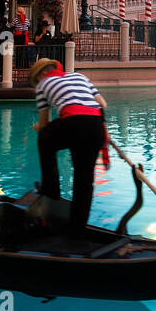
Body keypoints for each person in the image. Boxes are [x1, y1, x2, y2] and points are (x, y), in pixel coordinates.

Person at [29, 57, 107, 236]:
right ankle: (77, 229)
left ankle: (51, 189)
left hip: (73, 123)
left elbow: (44, 122)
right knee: (84, 180)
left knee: (44, 138)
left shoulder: (43, 85)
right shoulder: (81, 77)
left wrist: (39, 128)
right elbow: (102, 104)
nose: (37, 84)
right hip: (96, 125)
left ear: (42, 74)